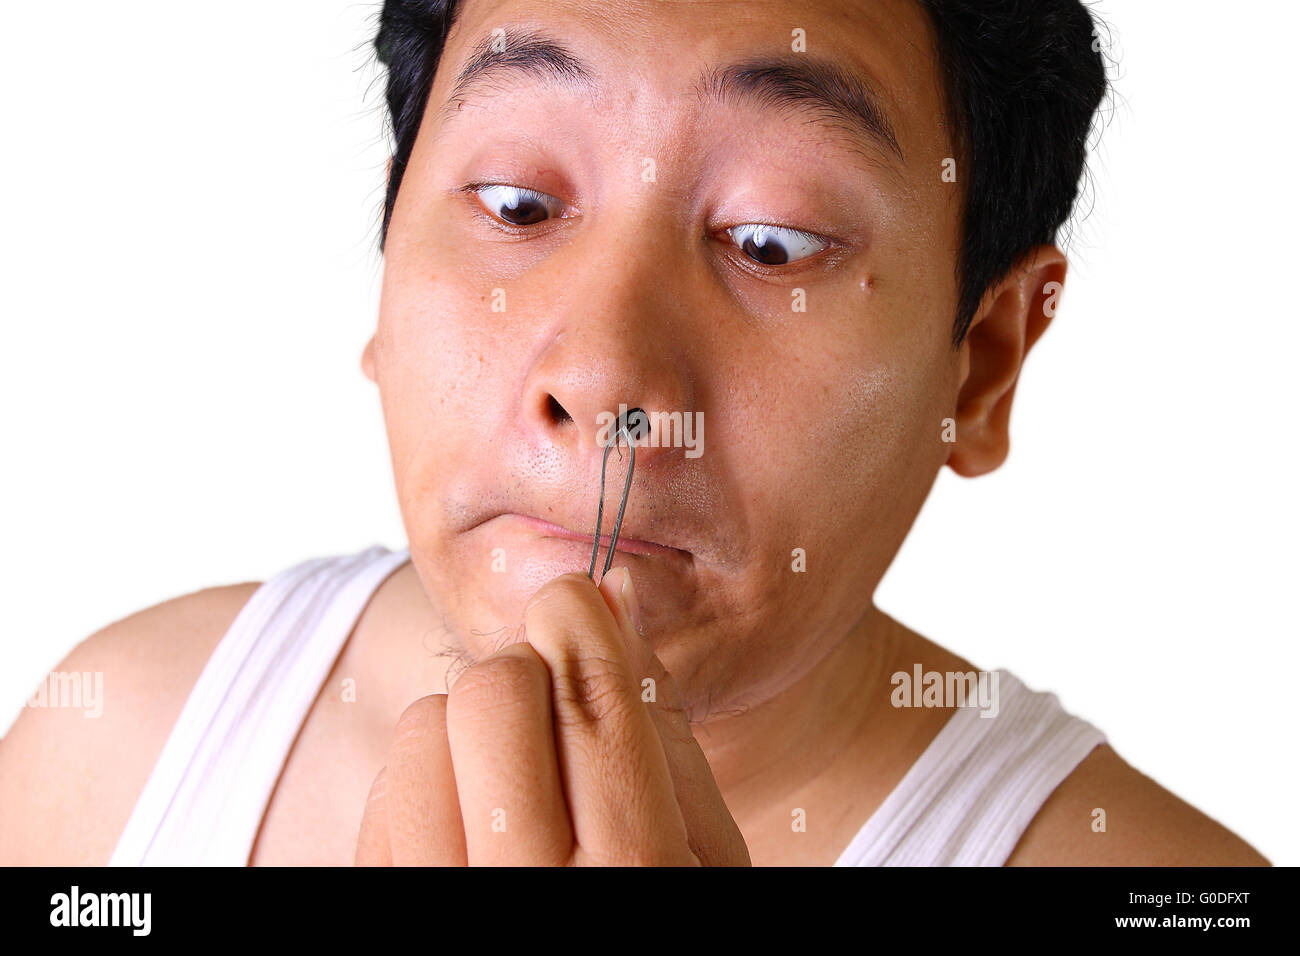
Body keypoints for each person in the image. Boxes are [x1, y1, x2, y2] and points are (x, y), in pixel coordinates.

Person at [0, 0, 1270, 866]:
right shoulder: (122, 741)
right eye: (513, 201)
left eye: (770, 241)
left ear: (982, 362)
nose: (605, 377)